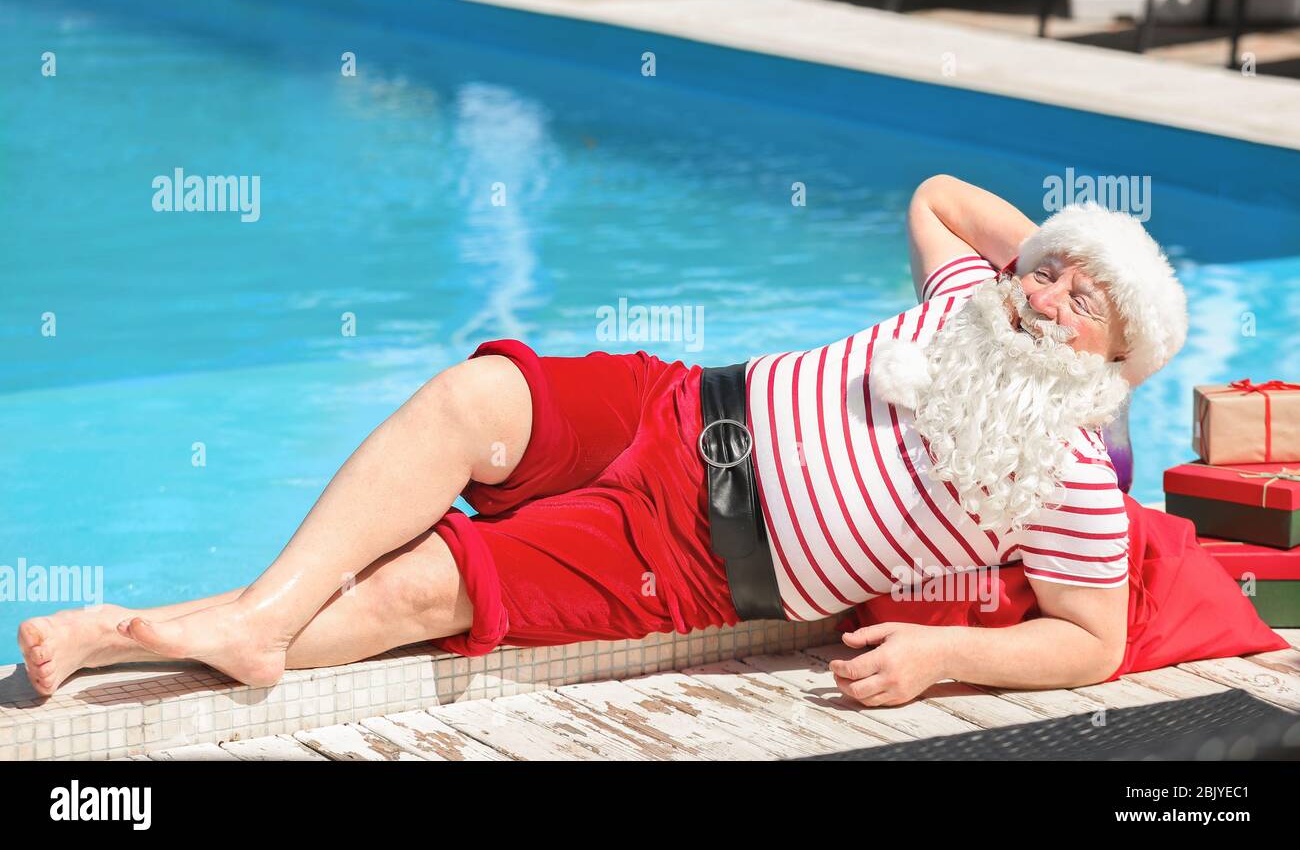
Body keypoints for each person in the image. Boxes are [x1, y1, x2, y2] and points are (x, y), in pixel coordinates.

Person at [18, 175, 1187, 707]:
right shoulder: (969, 298)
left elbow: (1089, 640)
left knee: (428, 588)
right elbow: (936, 191)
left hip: (686, 555)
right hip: (674, 404)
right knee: (475, 394)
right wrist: (1065, 256)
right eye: (1049, 277)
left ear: (1114, 365)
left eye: (1085, 305)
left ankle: (134, 633)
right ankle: (259, 621)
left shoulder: (1067, 478)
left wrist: (946, 659)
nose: (1045, 299)